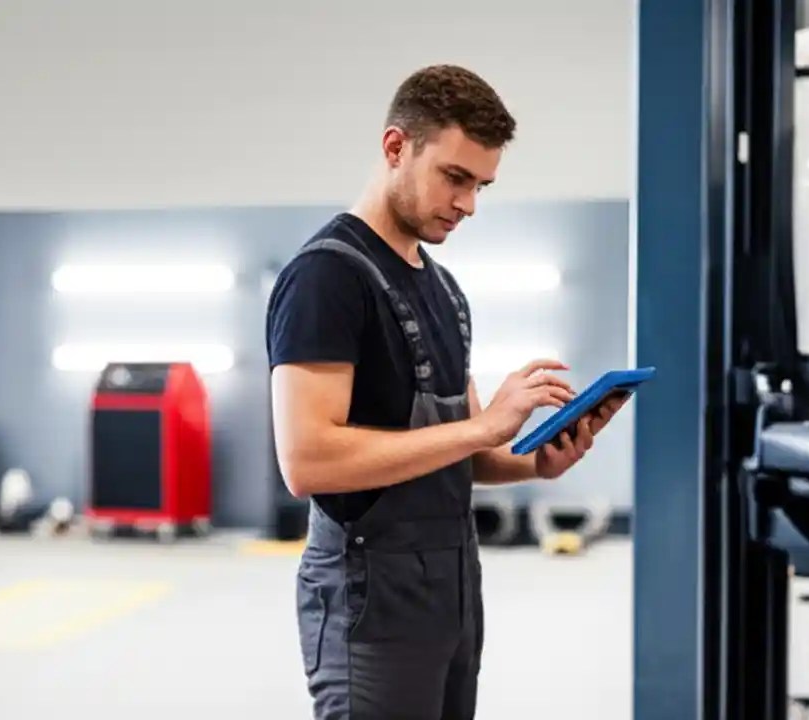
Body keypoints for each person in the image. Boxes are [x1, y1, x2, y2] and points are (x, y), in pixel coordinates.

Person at [264, 64, 626, 720]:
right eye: (455, 178)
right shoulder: (327, 278)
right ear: (395, 148)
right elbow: (306, 461)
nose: (468, 204)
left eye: (481, 185)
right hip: (368, 598)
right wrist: (487, 427)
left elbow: (462, 456)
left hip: (451, 588)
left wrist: (534, 461)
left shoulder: (444, 290)